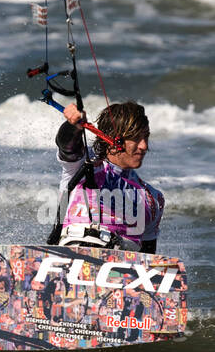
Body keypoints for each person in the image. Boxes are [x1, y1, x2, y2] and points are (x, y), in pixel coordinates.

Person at [52, 101, 164, 253]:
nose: (144, 146)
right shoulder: (85, 163)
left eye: (146, 137)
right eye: (136, 138)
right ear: (112, 138)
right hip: (71, 253)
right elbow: (67, 145)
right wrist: (73, 126)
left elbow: (149, 259)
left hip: (121, 266)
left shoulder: (152, 199)